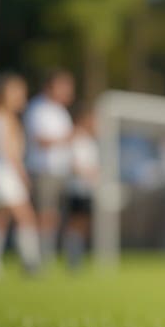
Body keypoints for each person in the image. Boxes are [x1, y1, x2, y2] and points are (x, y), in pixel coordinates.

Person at [24, 70, 75, 261]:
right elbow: (41, 140)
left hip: (61, 170)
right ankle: (38, 254)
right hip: (43, 170)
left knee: (54, 215)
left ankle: (48, 252)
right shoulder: (38, 108)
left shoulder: (61, 111)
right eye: (63, 86)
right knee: (43, 214)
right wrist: (68, 138)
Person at [0, 73, 41, 274]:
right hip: (4, 173)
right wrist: (22, 173)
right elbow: (8, 150)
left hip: (1, 173)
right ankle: (31, 262)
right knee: (26, 217)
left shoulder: (5, 117)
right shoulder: (2, 117)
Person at [63, 104, 99, 268]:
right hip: (76, 188)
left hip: (88, 189)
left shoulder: (91, 141)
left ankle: (77, 258)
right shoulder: (77, 139)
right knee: (75, 223)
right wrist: (90, 174)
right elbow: (74, 165)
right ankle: (72, 258)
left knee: (84, 223)